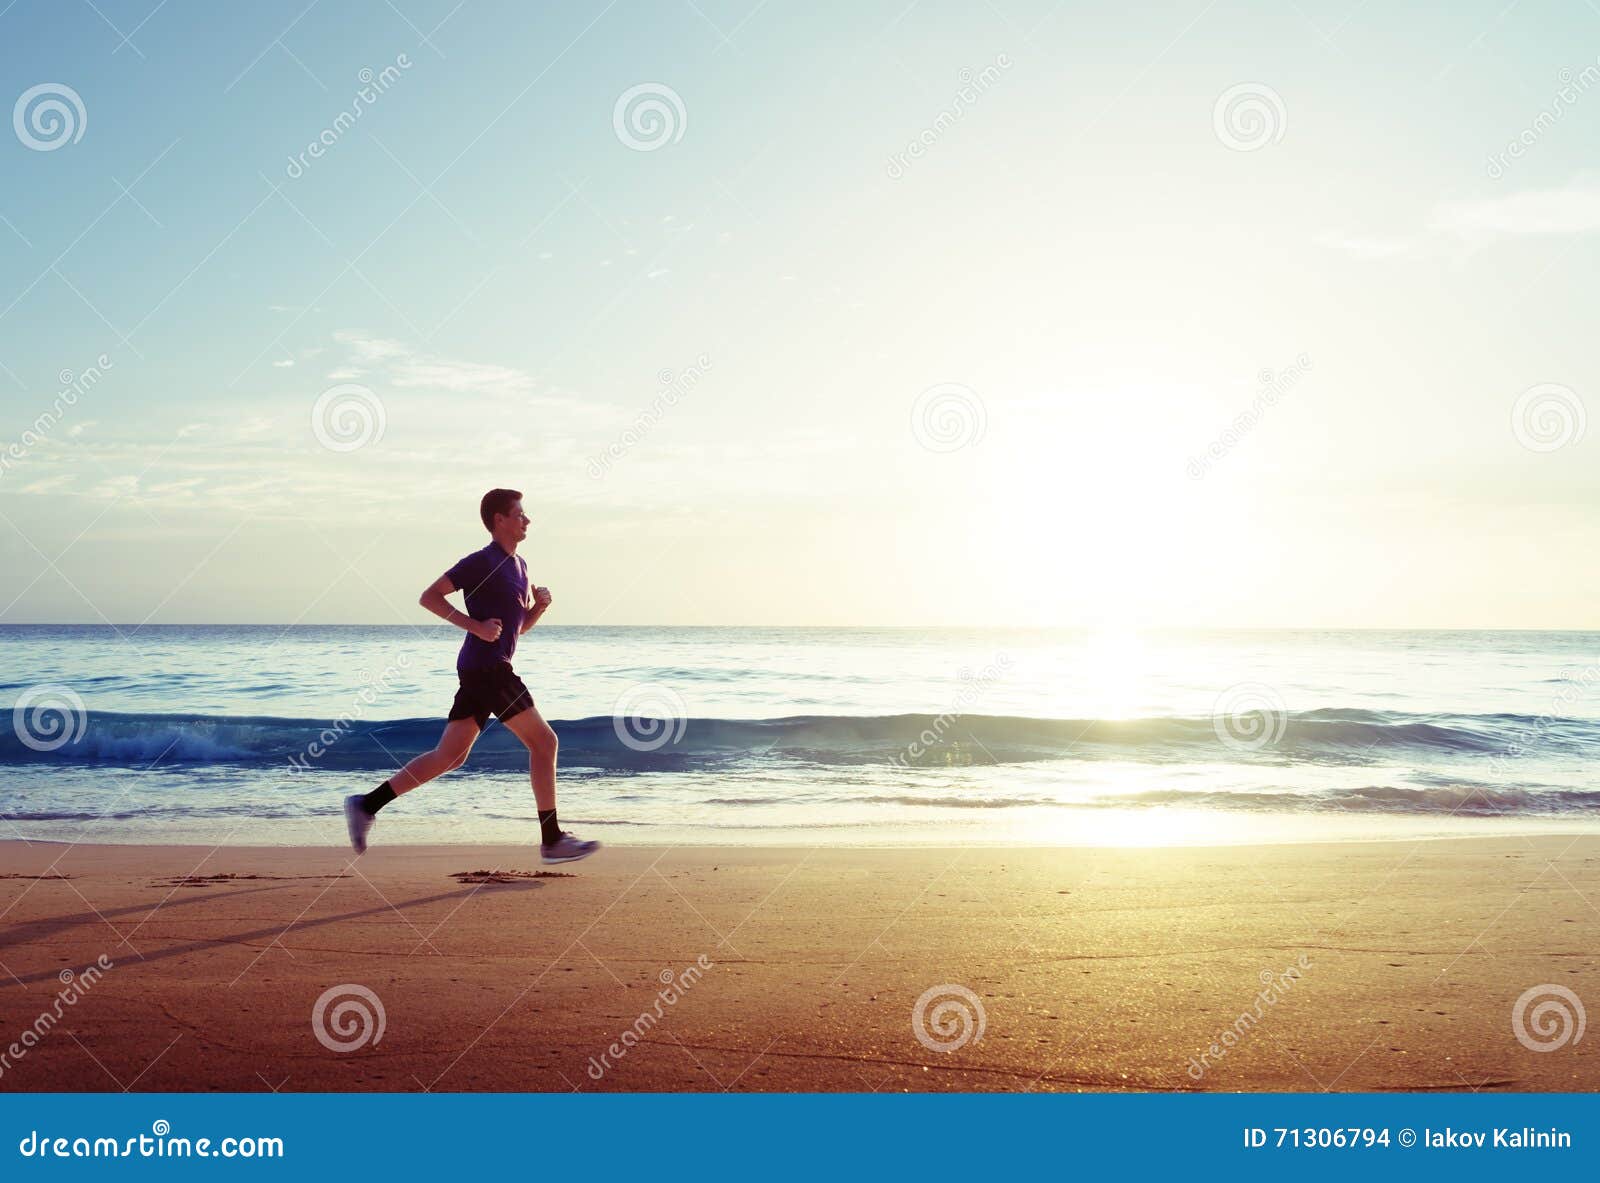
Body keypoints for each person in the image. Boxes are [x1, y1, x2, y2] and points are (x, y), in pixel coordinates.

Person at [343, 488, 599, 865]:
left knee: (450, 756)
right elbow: (430, 597)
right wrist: (473, 626)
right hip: (488, 667)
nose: (527, 520)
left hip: (482, 667)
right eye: (520, 514)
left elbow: (518, 628)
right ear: (499, 520)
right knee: (545, 743)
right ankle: (552, 840)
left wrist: (540, 608)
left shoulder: (521, 566)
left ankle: (367, 804)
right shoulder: (482, 561)